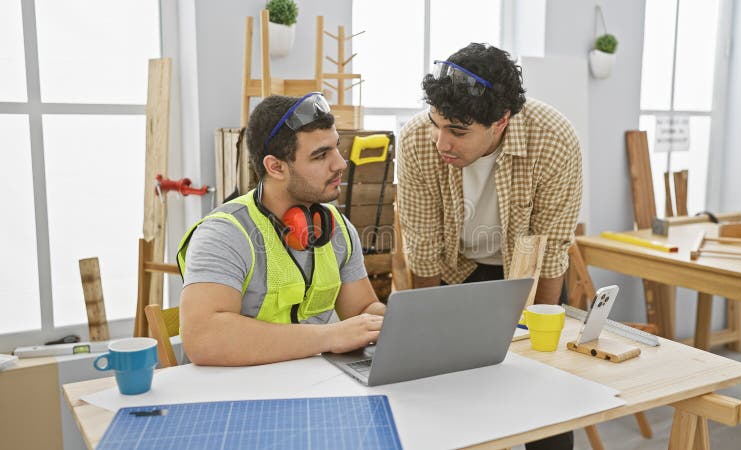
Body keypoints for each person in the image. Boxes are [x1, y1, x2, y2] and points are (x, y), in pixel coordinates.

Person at [397, 44, 582, 450]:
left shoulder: (552, 138)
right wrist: (430, 336)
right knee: (452, 401)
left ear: (500, 122)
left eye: (458, 132)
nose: (441, 141)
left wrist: (541, 340)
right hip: (456, 269)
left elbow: (550, 251)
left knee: (544, 403)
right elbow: (423, 246)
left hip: (530, 274)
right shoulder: (416, 141)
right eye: (436, 123)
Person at [177, 93, 385, 367]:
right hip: (237, 395)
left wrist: (398, 323)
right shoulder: (224, 233)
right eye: (321, 155)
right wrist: (330, 336)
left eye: (336, 148)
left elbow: (360, 310)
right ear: (276, 167)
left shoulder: (337, 228)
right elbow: (203, 339)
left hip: (309, 384)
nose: (340, 164)